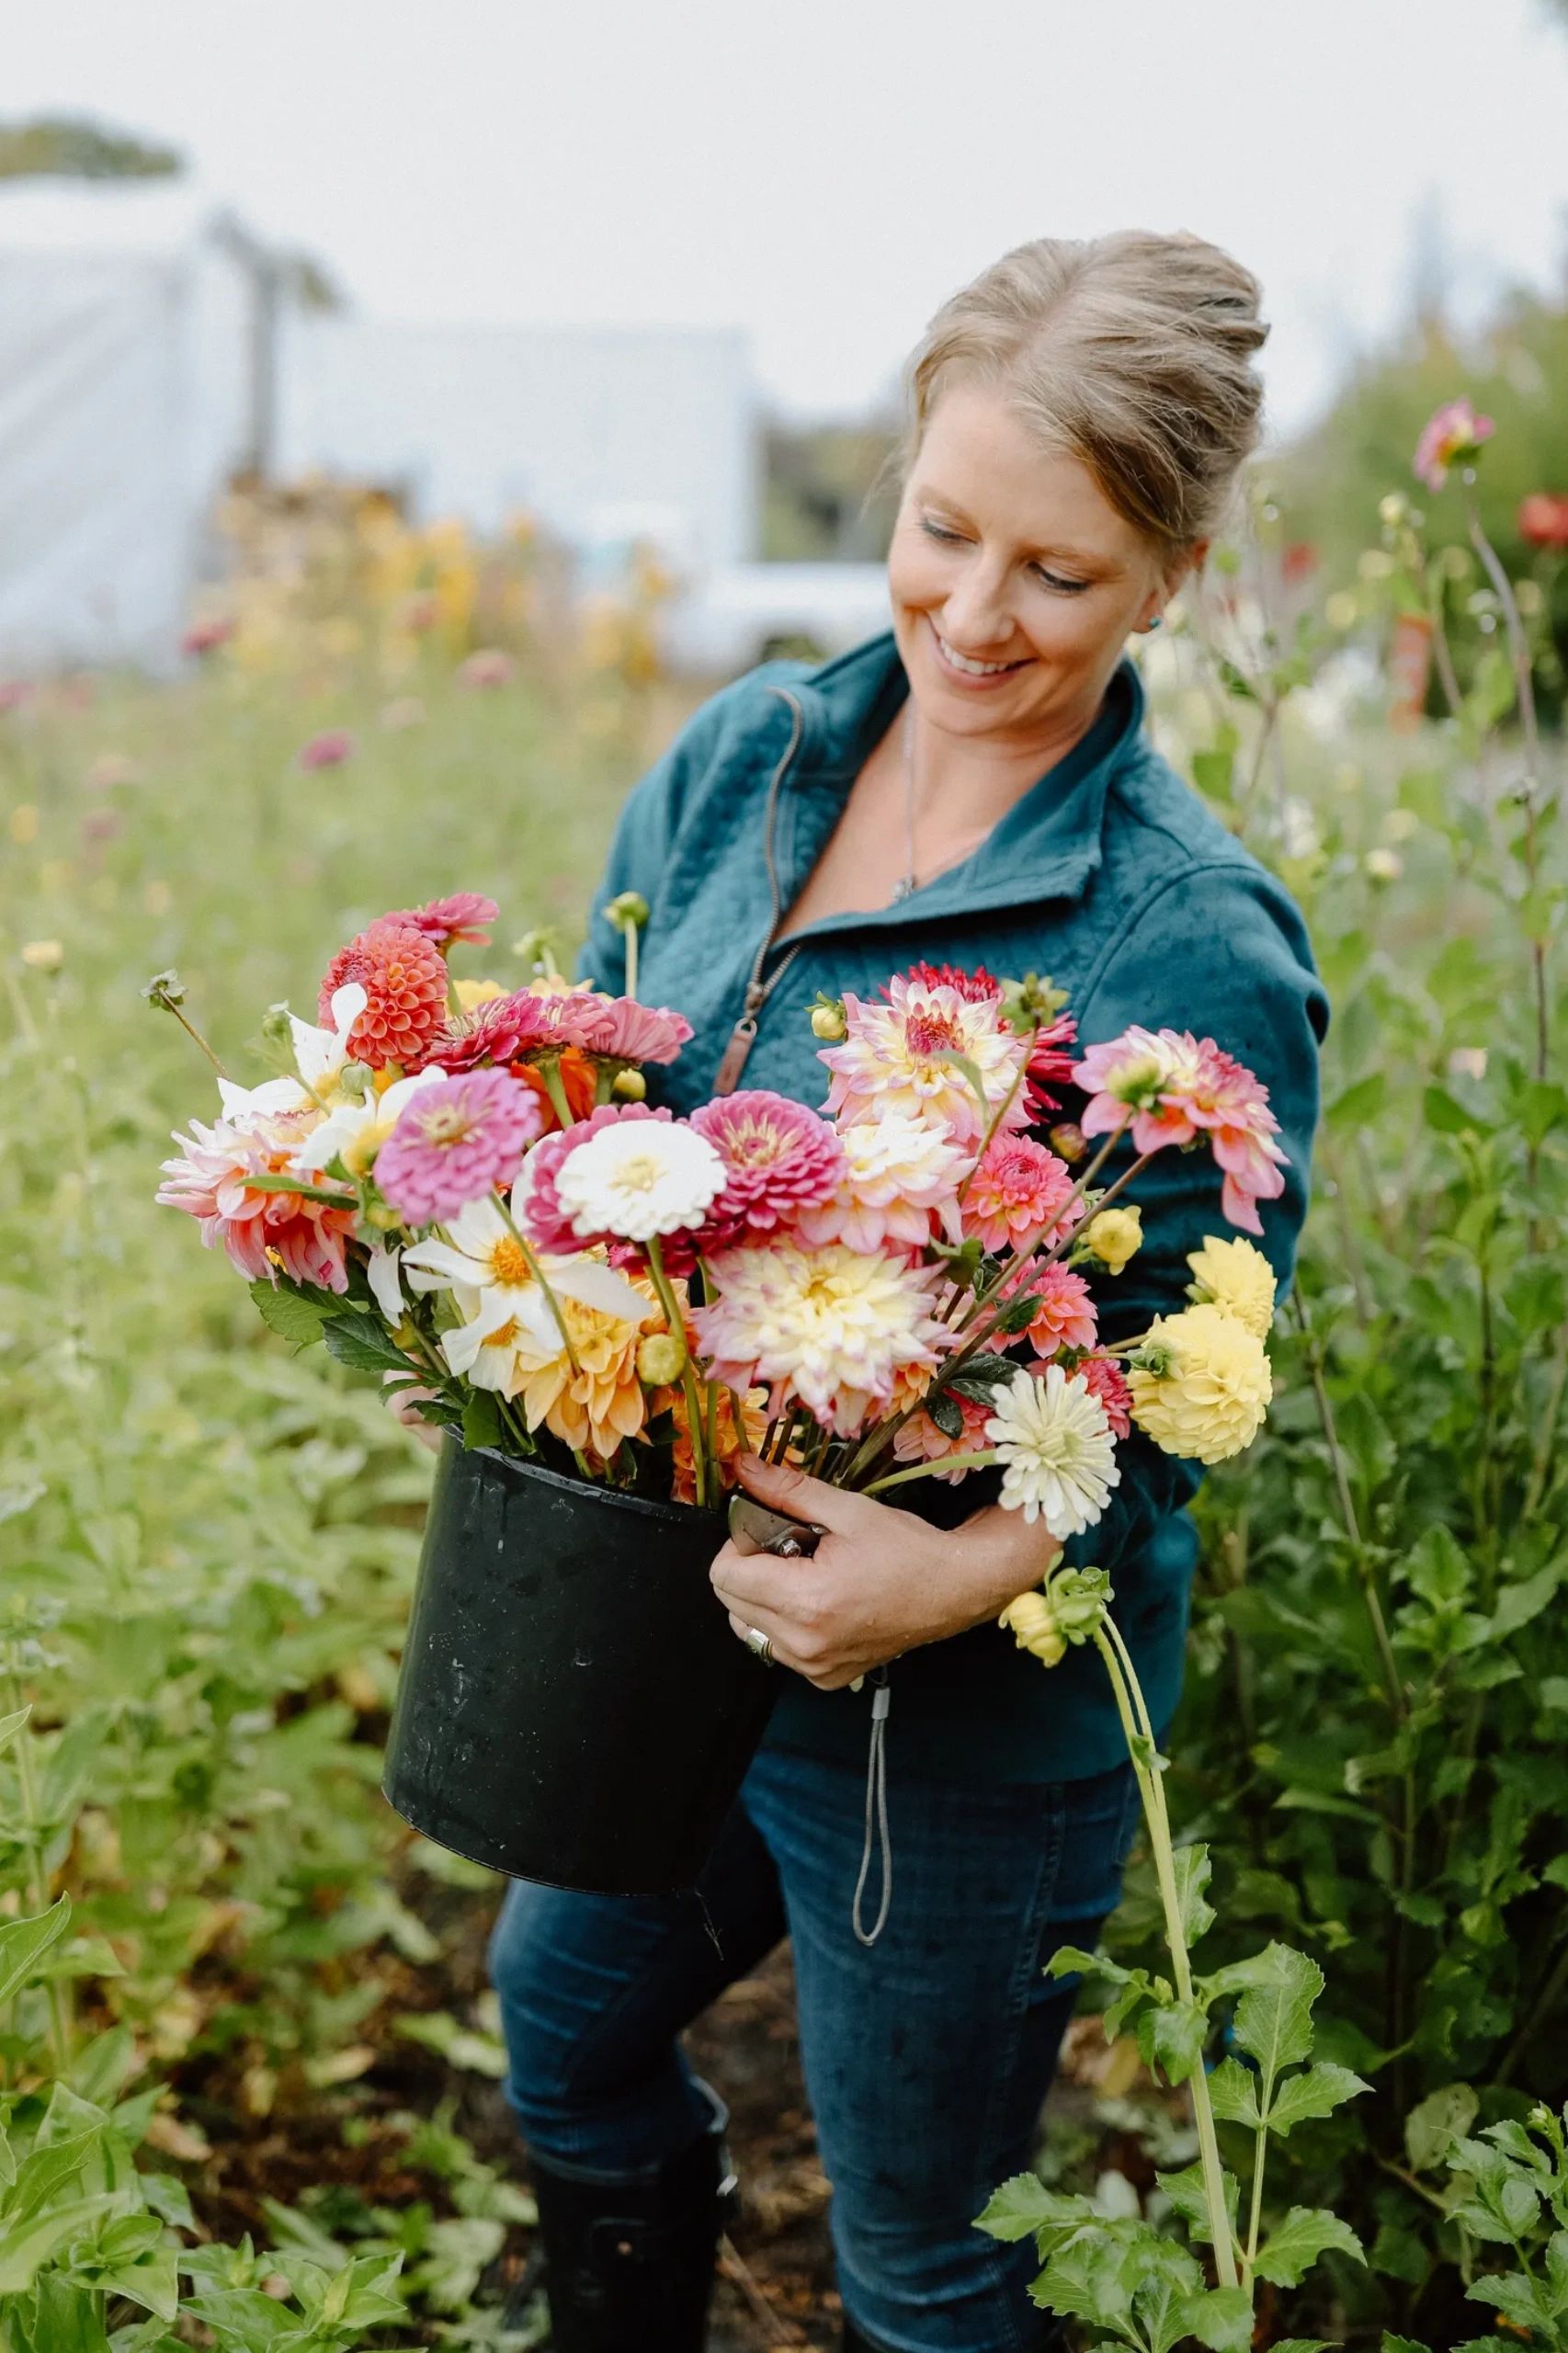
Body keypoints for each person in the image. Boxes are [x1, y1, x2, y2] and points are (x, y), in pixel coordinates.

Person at [479, 231, 1330, 2352]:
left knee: (929, 2259)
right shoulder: (745, 760)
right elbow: (602, 1090)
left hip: (948, 1719)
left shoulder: (1185, 935)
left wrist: (943, 1582)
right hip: (669, 1603)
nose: (970, 612)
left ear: (1172, 574)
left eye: (1055, 570)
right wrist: (519, 1316)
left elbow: (1182, 1375)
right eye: (941, 530)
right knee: (562, 2031)